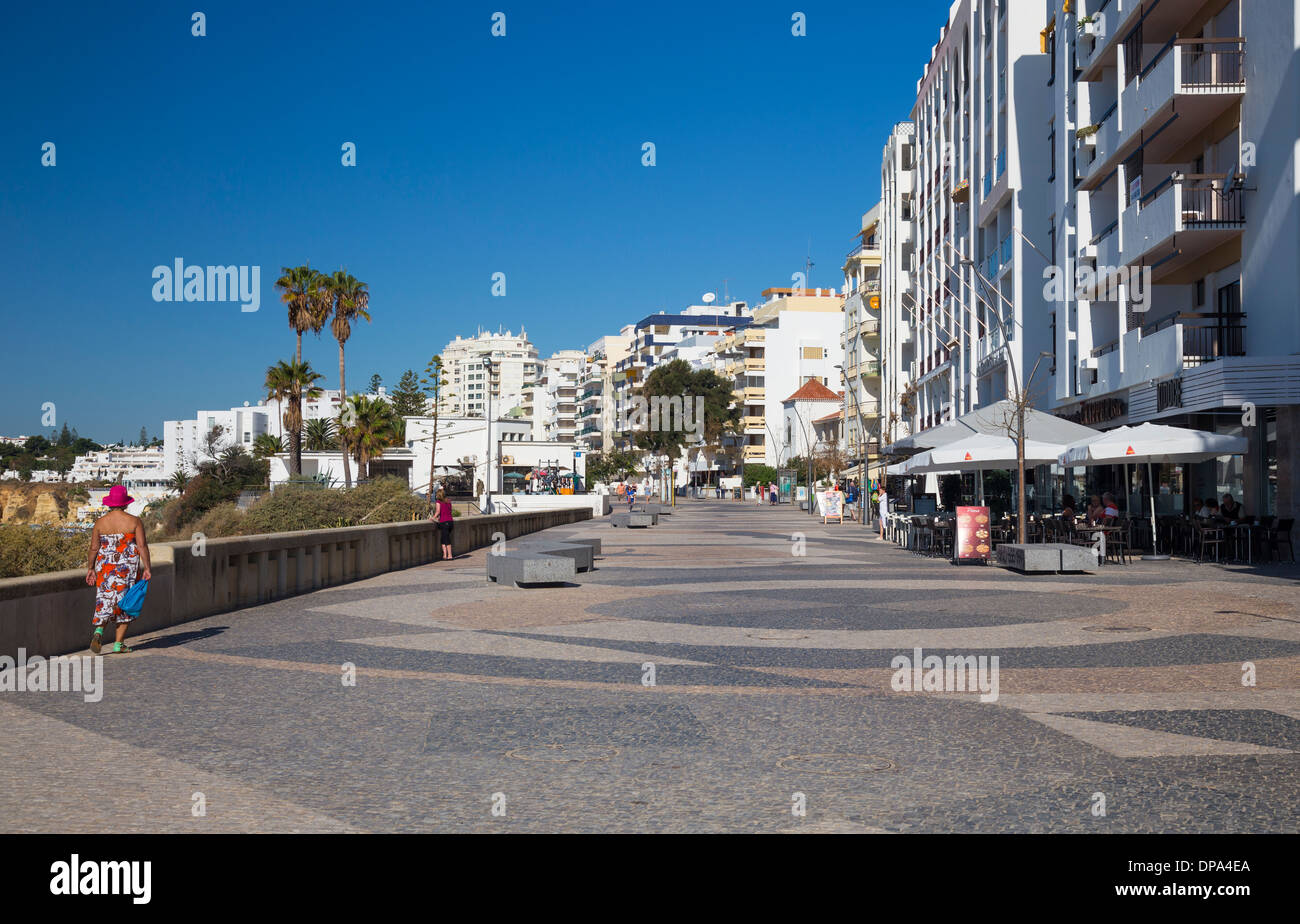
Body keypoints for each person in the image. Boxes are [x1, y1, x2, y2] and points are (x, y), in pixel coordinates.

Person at [85, 485, 151, 654]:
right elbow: (142, 546)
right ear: (126, 503)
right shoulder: (134, 521)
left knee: (105, 599)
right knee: (125, 604)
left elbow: (94, 548)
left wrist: (90, 568)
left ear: (109, 503)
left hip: (105, 568)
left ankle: (99, 631)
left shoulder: (100, 523)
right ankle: (118, 644)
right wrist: (147, 567)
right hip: (126, 568)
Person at [432, 488, 454, 561]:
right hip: (450, 521)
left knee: (446, 539)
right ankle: (444, 555)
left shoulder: (438, 502)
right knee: (443, 539)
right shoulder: (449, 501)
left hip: (444, 522)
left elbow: (438, 511)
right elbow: (449, 511)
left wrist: (433, 518)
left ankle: (450, 555)